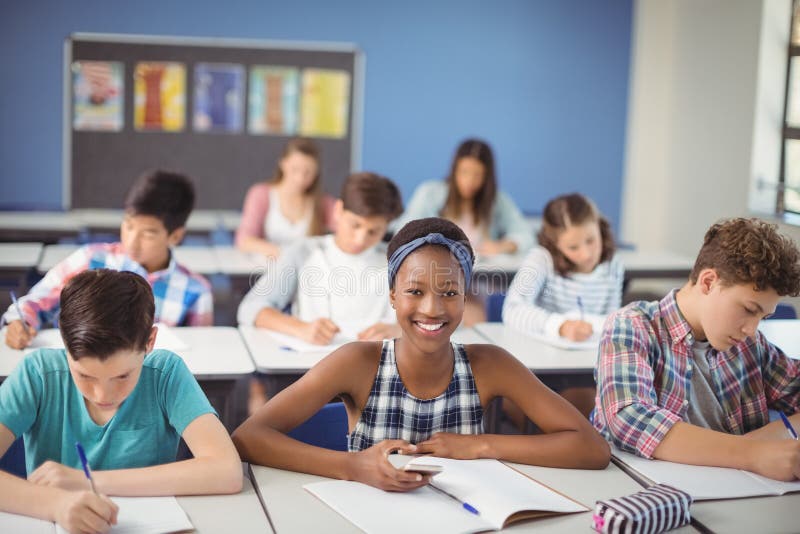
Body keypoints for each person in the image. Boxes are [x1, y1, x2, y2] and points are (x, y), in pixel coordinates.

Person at [232, 217, 610, 491]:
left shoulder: (491, 365)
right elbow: (249, 437)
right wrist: (352, 466)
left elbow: (591, 448)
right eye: (415, 292)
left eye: (449, 293)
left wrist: (480, 445)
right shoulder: (356, 363)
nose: (432, 308)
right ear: (392, 296)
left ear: (466, 298)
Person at [0, 269, 242, 533]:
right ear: (65, 341)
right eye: (85, 375)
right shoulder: (38, 374)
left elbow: (226, 471)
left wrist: (87, 481)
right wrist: (55, 504)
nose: (102, 395)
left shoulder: (165, 374)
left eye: (122, 376)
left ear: (149, 342)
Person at [594, 218, 800, 481]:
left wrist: (767, 440)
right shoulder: (633, 325)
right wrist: (752, 453)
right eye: (749, 310)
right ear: (708, 282)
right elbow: (630, 419)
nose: (752, 328)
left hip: (734, 495)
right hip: (647, 497)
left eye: (763, 317)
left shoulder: (751, 346)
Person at [3, 170, 213, 349]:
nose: (132, 240)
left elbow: (199, 352)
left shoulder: (195, 290)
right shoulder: (91, 259)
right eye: (128, 225)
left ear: (175, 236)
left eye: (148, 233)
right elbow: (36, 301)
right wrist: (18, 323)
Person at [237, 171, 404, 345]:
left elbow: (427, 319)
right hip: (313, 363)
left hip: (378, 363)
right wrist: (300, 328)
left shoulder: (399, 259)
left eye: (374, 231)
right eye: (355, 225)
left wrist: (399, 329)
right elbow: (250, 308)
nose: (360, 239)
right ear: (338, 210)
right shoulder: (303, 252)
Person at [502, 193, 624, 416]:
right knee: (557, 413)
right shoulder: (541, 259)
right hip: (537, 373)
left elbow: (611, 318)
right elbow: (512, 309)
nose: (586, 254)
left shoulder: (613, 264)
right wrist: (560, 325)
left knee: (594, 409)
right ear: (556, 244)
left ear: (599, 226)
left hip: (585, 369)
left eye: (591, 240)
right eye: (573, 247)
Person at [235, 137, 336, 258]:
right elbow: (244, 240)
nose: (300, 178)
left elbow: (345, 229)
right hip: (269, 267)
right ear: (283, 164)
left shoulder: (323, 202)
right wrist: (280, 253)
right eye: (295, 169)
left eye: (308, 172)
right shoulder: (261, 194)